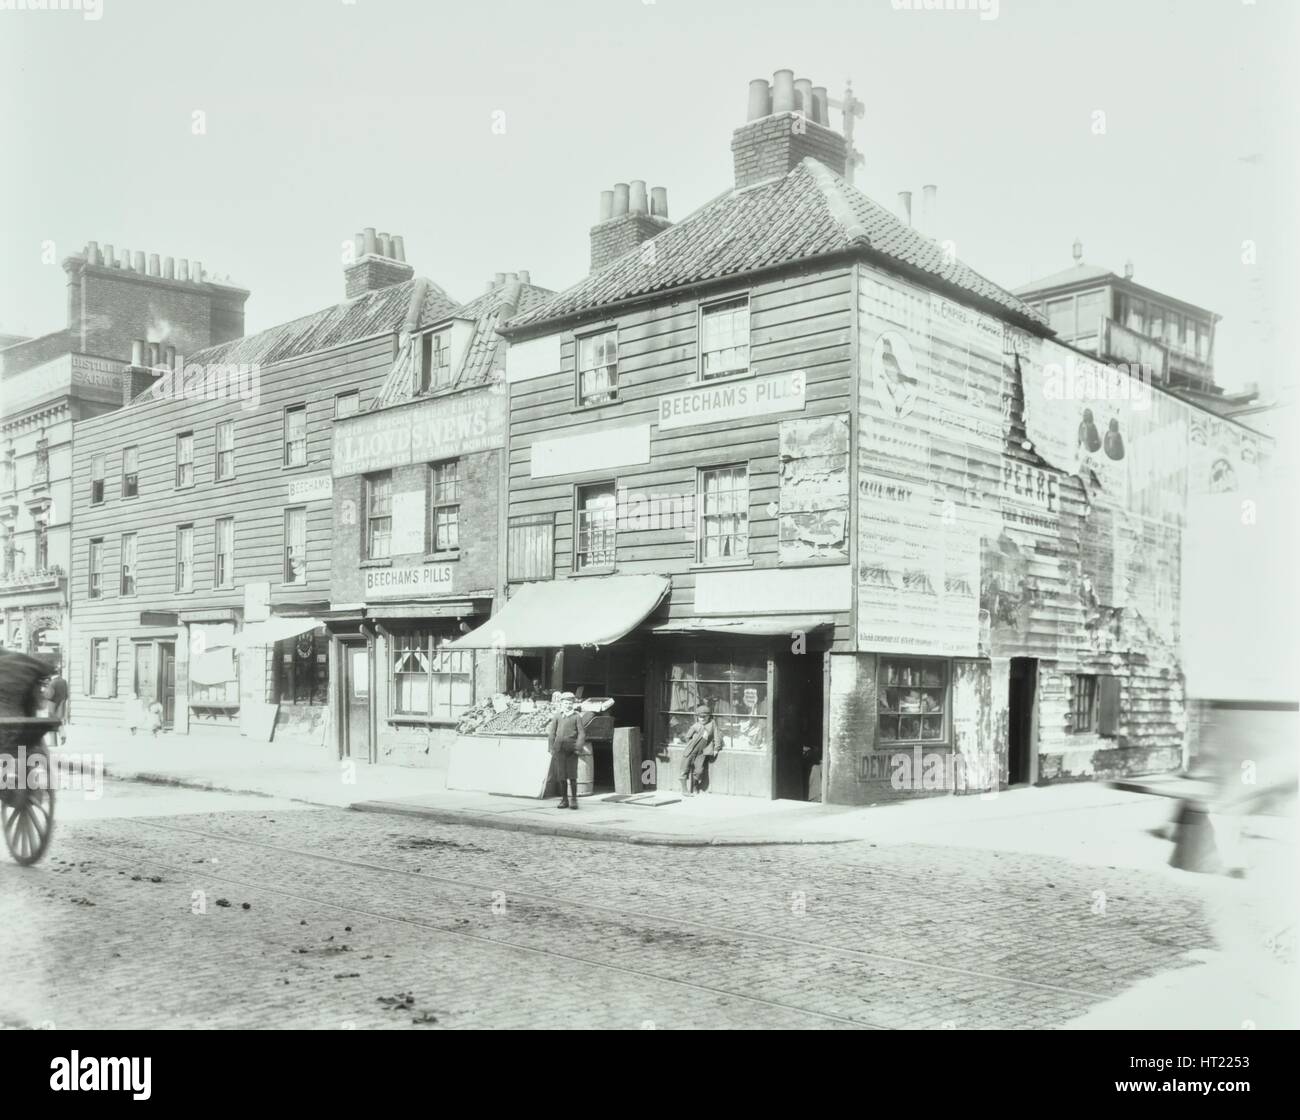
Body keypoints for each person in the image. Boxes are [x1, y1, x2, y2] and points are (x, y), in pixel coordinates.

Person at [546, 692, 587, 809]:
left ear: (573, 704)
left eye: (570, 703)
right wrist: (551, 747)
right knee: (562, 776)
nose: (568, 705)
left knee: (572, 775)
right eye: (565, 703)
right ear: (561, 704)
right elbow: (552, 733)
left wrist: (578, 747)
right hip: (559, 749)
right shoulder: (557, 716)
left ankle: (573, 799)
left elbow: (582, 733)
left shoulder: (576, 717)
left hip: (572, 750)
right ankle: (564, 800)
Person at [680, 702, 724, 795]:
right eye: (700, 717)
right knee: (684, 769)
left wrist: (716, 748)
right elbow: (687, 737)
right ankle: (684, 790)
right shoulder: (695, 726)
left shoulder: (712, 724)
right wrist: (692, 741)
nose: (702, 719)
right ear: (697, 717)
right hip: (690, 750)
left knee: (699, 771)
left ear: (709, 716)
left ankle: (695, 785)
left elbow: (716, 736)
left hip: (701, 753)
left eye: (705, 717)